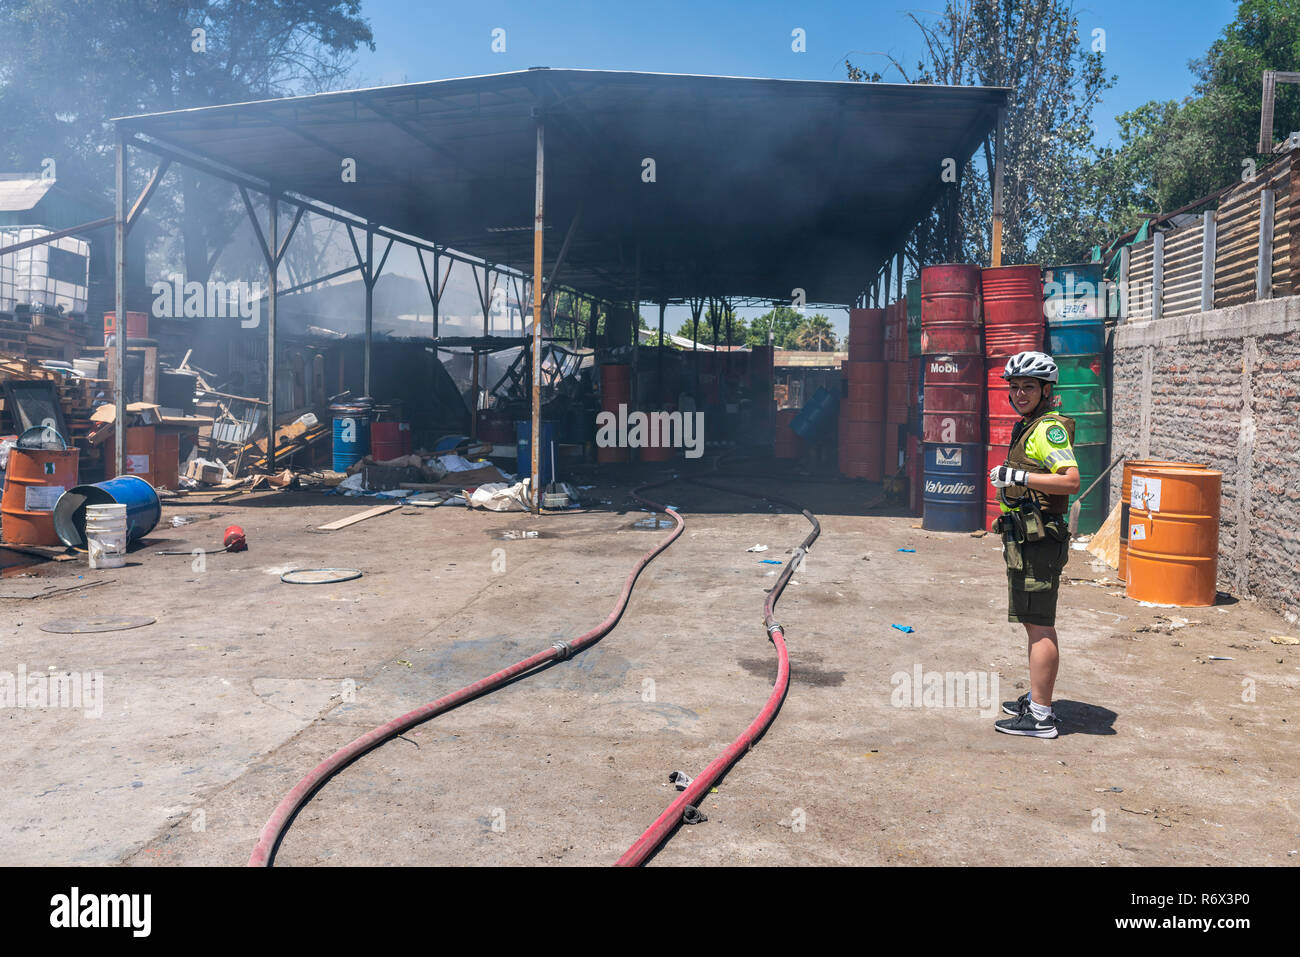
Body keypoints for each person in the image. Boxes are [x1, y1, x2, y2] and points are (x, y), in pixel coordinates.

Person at [987, 351, 1080, 739]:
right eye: (1015, 387)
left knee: (1040, 626)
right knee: (1031, 622)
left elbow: (1071, 479)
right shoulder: (1028, 425)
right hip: (1028, 536)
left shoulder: (1047, 430)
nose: (1020, 393)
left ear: (1046, 390)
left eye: (1028, 387)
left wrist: (1019, 475)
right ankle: (1037, 698)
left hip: (1042, 539)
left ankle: (1041, 716)